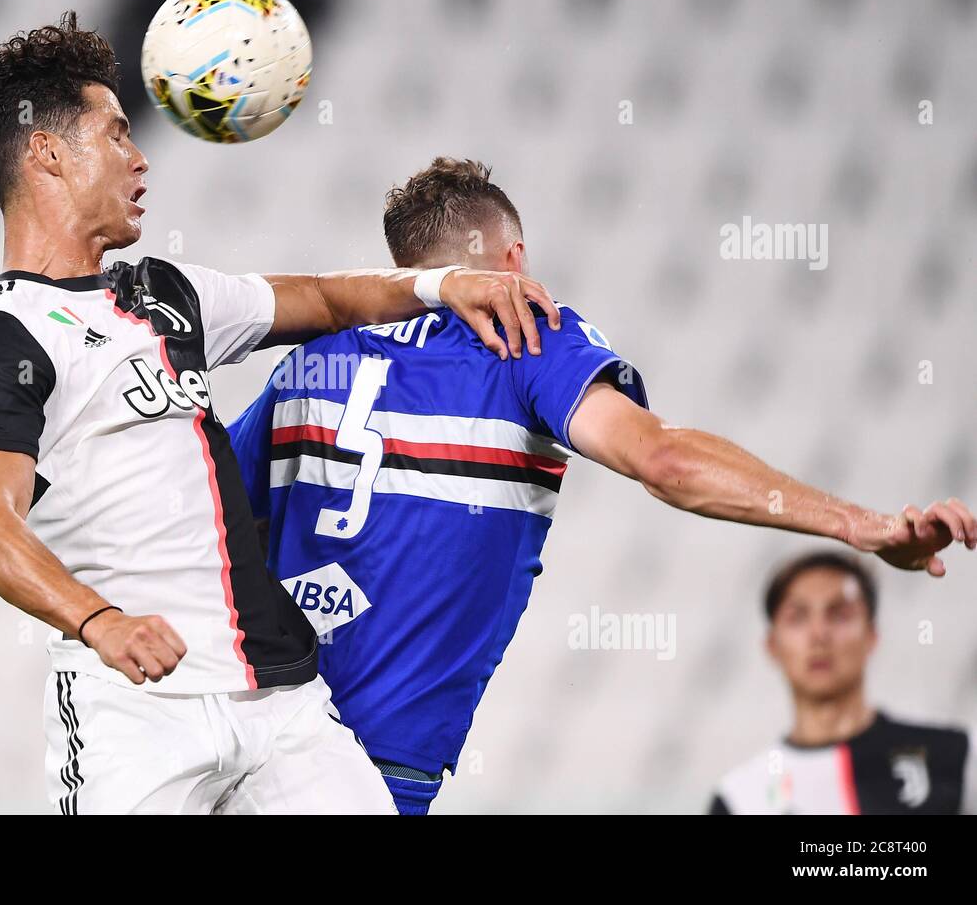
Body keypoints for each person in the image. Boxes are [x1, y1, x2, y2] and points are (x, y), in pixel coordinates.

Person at [0, 17, 558, 814]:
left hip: (282, 700)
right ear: (47, 152)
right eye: (117, 132)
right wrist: (101, 621)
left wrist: (441, 286)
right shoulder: (0, 335)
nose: (140, 155)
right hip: (138, 707)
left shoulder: (167, 294)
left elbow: (327, 297)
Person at [227, 156, 976, 814]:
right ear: (513, 258)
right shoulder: (519, 337)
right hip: (370, 765)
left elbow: (209, 505)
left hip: (248, 737)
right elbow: (665, 462)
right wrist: (859, 524)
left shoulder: (307, 363)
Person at [709, 551, 975, 814]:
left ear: (871, 635)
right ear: (771, 645)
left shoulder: (955, 757)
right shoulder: (739, 799)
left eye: (839, 615)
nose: (819, 635)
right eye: (797, 617)